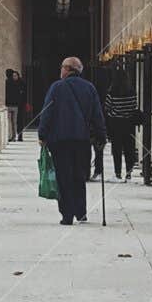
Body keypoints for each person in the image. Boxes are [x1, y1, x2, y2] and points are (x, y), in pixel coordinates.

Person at [36, 56, 106, 225]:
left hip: (59, 140)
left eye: (62, 67)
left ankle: (67, 214)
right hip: (82, 139)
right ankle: (81, 212)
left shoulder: (56, 87)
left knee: (63, 176)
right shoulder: (89, 88)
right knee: (79, 175)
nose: (60, 70)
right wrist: (101, 135)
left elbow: (47, 112)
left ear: (68, 69)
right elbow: (97, 114)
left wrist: (42, 134)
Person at [104, 66, 141, 181]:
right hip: (129, 123)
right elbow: (134, 106)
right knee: (129, 148)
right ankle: (129, 172)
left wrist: (114, 113)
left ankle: (118, 172)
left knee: (117, 149)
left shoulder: (112, 92)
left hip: (116, 123)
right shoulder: (131, 92)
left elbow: (107, 107)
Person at [4, 68, 26, 142]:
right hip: (11, 105)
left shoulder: (21, 83)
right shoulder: (9, 82)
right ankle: (12, 136)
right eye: (13, 76)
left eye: (15, 76)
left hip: (19, 105)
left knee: (17, 122)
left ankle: (19, 135)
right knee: (11, 122)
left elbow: (23, 95)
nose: (14, 77)